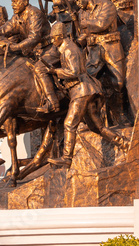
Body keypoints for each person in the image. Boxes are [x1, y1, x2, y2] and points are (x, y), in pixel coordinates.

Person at [46, 22, 126, 168]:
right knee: (97, 127)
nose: (52, 41)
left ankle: (67, 157)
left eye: (53, 38)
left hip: (81, 91)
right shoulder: (66, 49)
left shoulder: (69, 50)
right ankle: (123, 142)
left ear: (60, 36)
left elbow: (74, 72)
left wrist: (56, 72)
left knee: (69, 124)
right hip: (85, 91)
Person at [73, 0, 126, 123]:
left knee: (119, 82)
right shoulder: (81, 13)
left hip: (111, 48)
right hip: (94, 52)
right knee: (86, 82)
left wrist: (85, 24)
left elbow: (102, 24)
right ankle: (90, 117)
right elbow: (84, 35)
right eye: (75, 1)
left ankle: (121, 113)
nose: (77, 3)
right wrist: (78, 41)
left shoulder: (106, 6)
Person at [1, 0, 59, 113]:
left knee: (40, 68)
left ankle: (52, 101)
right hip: (35, 52)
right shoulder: (17, 17)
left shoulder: (34, 13)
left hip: (49, 49)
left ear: (25, 2)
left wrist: (15, 47)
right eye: (12, 1)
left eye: (16, 1)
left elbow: (34, 37)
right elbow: (4, 29)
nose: (13, 5)